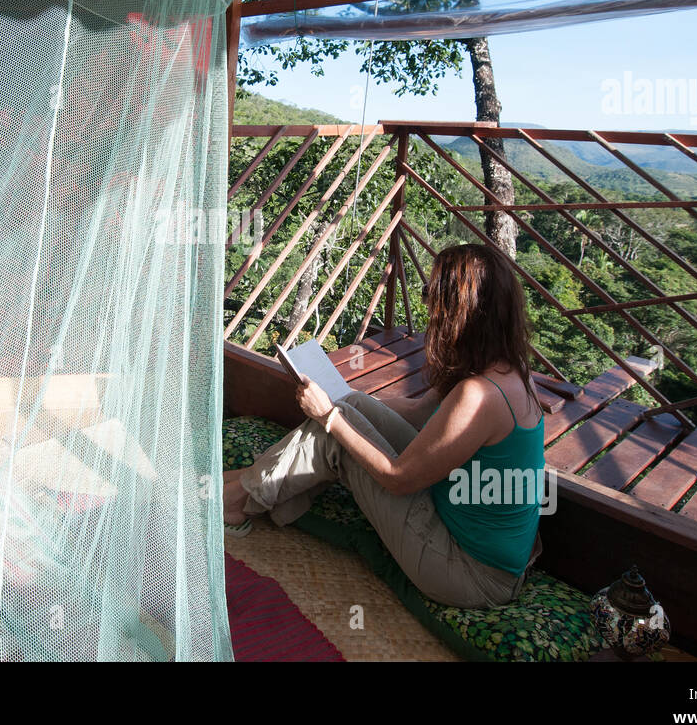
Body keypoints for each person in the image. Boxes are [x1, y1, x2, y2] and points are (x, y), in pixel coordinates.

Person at [223, 243, 547, 608]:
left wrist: (329, 417)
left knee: (338, 436)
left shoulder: (479, 395)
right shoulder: (508, 369)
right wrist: (344, 400)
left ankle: (237, 497)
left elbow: (398, 478)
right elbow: (415, 412)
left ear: (459, 311)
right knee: (354, 406)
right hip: (469, 533)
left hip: (471, 574)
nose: (426, 305)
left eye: (431, 294)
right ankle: (248, 488)